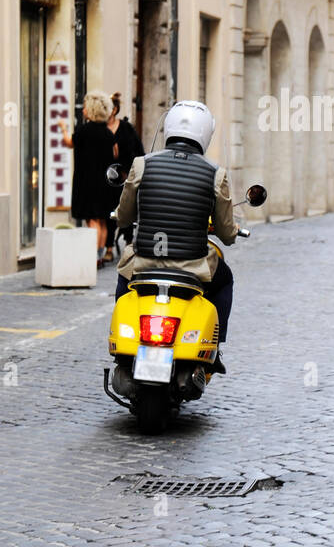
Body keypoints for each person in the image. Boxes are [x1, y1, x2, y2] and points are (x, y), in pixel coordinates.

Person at [114, 100, 238, 374]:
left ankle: (122, 347)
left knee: (124, 278)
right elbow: (227, 232)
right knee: (225, 280)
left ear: (169, 128)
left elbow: (123, 217)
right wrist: (229, 231)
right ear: (206, 134)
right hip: (192, 267)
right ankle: (214, 347)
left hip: (145, 262)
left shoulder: (141, 164)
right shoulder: (217, 174)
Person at [61, 90, 116, 264]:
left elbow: (69, 142)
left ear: (91, 110)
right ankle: (99, 256)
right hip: (104, 182)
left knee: (92, 220)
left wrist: (63, 129)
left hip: (88, 181)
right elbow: (115, 153)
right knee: (102, 220)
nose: (83, 109)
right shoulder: (108, 133)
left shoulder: (85, 131)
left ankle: (93, 257)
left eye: (85, 106)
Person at [105, 94, 144, 263]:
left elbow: (139, 151)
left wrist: (133, 173)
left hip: (125, 177)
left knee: (126, 209)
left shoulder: (127, 128)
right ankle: (108, 247)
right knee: (108, 212)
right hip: (106, 178)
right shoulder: (101, 129)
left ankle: (129, 244)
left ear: (114, 110)